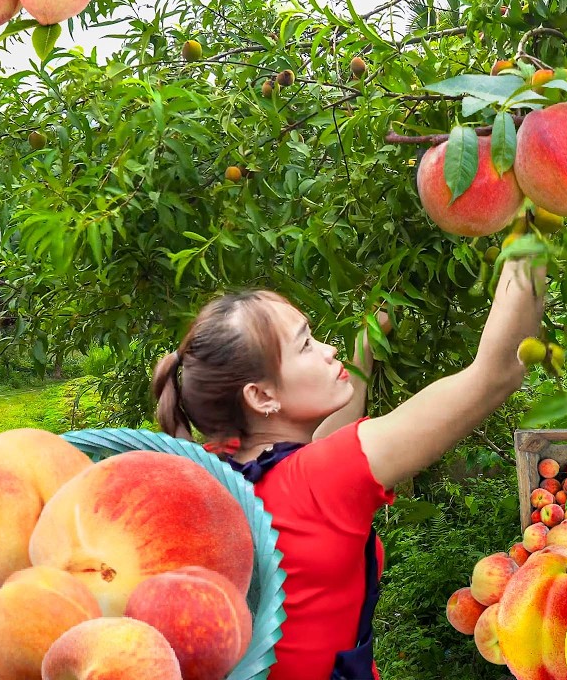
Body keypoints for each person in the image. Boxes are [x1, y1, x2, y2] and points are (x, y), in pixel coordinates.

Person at [150, 257, 545, 680]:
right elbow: (497, 374)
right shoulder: (322, 477)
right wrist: (529, 238)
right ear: (261, 396)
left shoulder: (215, 474)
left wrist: (364, 349)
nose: (328, 350)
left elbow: (317, 451)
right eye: (305, 345)